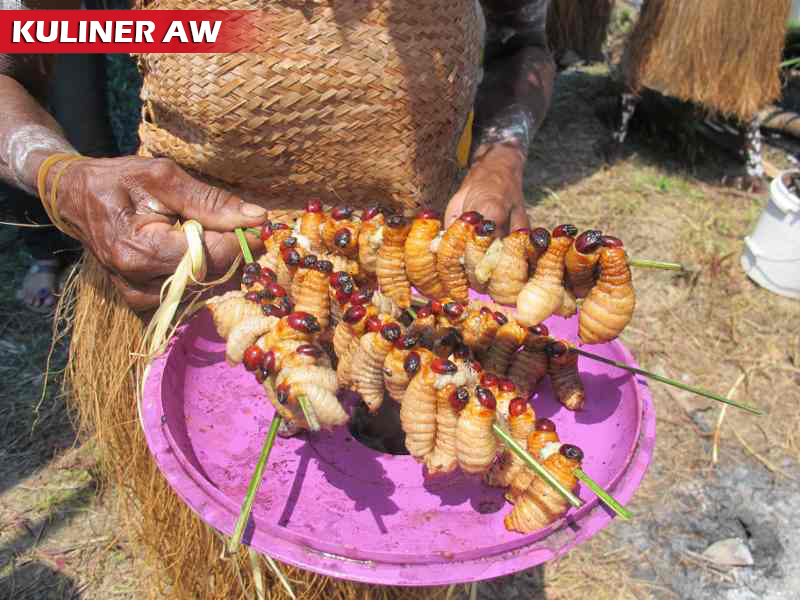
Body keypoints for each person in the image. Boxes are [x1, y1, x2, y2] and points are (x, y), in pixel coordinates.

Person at [1, 1, 560, 598]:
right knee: (221, 574)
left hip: (402, 317)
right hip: (199, 305)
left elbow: (521, 44)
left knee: (384, 569)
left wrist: (501, 155)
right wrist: (62, 176)